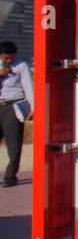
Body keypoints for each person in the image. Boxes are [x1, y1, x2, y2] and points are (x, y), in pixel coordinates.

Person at [0, 40, 35, 187]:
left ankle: (10, 176)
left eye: (11, 58)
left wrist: (34, 106)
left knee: (13, 143)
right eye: (5, 58)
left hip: (12, 105)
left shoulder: (21, 66)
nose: (8, 61)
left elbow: (28, 86)